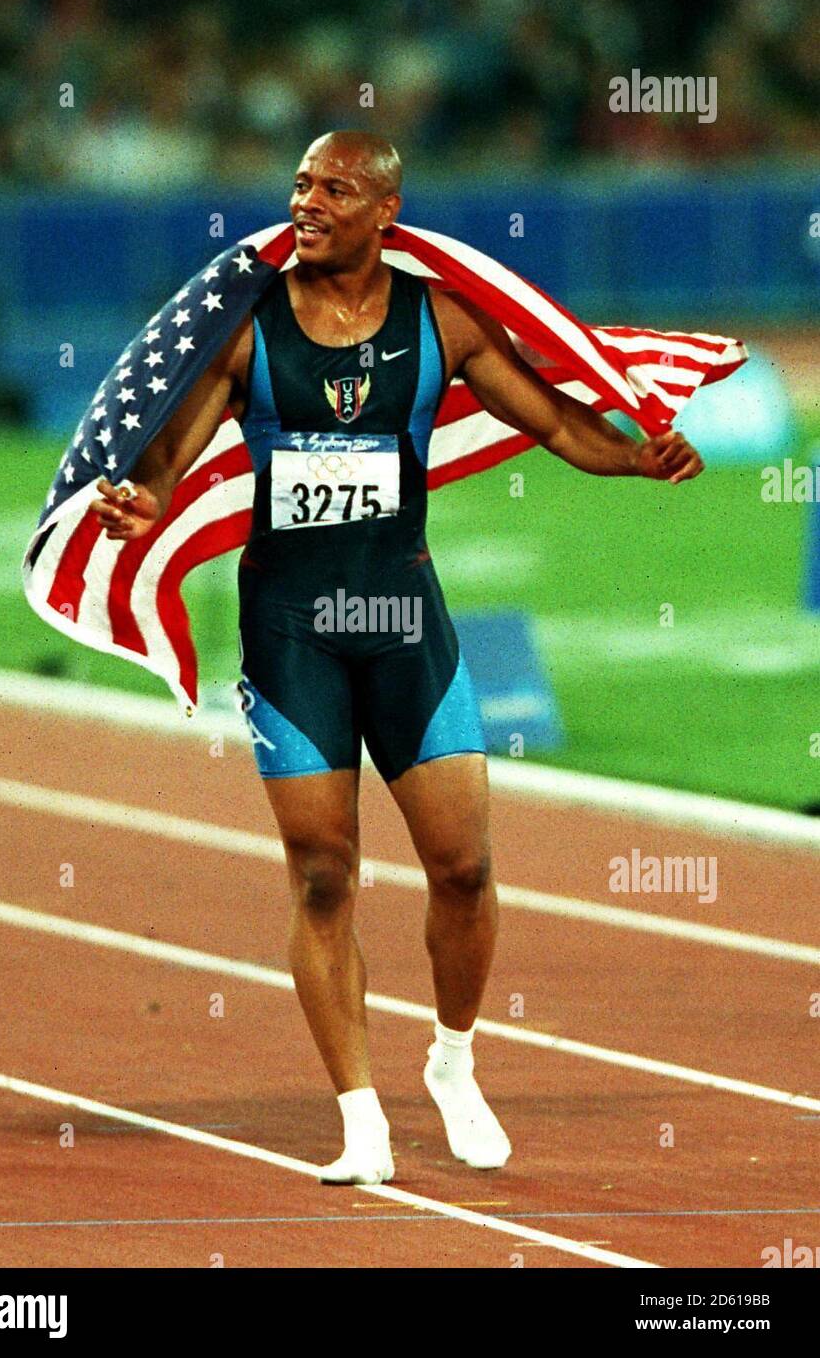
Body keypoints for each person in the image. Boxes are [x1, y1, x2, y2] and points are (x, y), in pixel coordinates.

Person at [91, 131, 703, 1185]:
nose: (307, 200)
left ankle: (453, 1060)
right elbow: (165, 455)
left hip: (402, 618)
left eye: (334, 187)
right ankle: (359, 1113)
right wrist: (138, 499)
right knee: (324, 873)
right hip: (292, 630)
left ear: (386, 210)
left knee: (462, 867)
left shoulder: (441, 320)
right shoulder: (249, 328)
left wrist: (635, 459)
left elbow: (554, 422)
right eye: (299, 183)